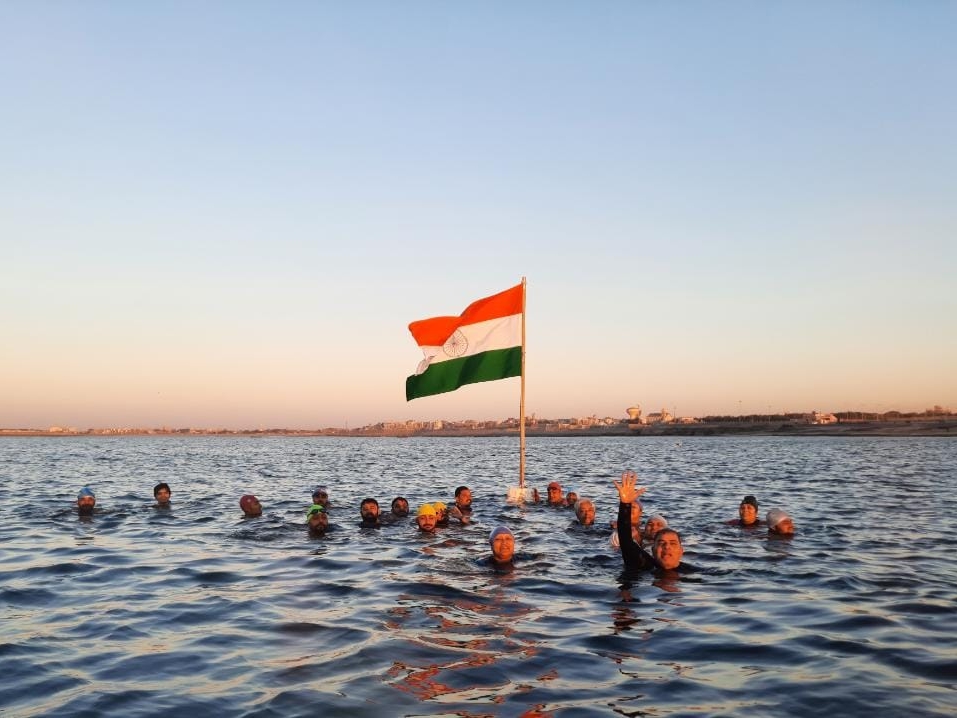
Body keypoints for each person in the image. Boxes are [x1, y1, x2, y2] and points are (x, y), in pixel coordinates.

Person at [612, 471, 655, 571]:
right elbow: (626, 541)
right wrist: (625, 503)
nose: (667, 547)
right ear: (655, 549)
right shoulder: (646, 563)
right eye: (629, 507)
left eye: (634, 507)